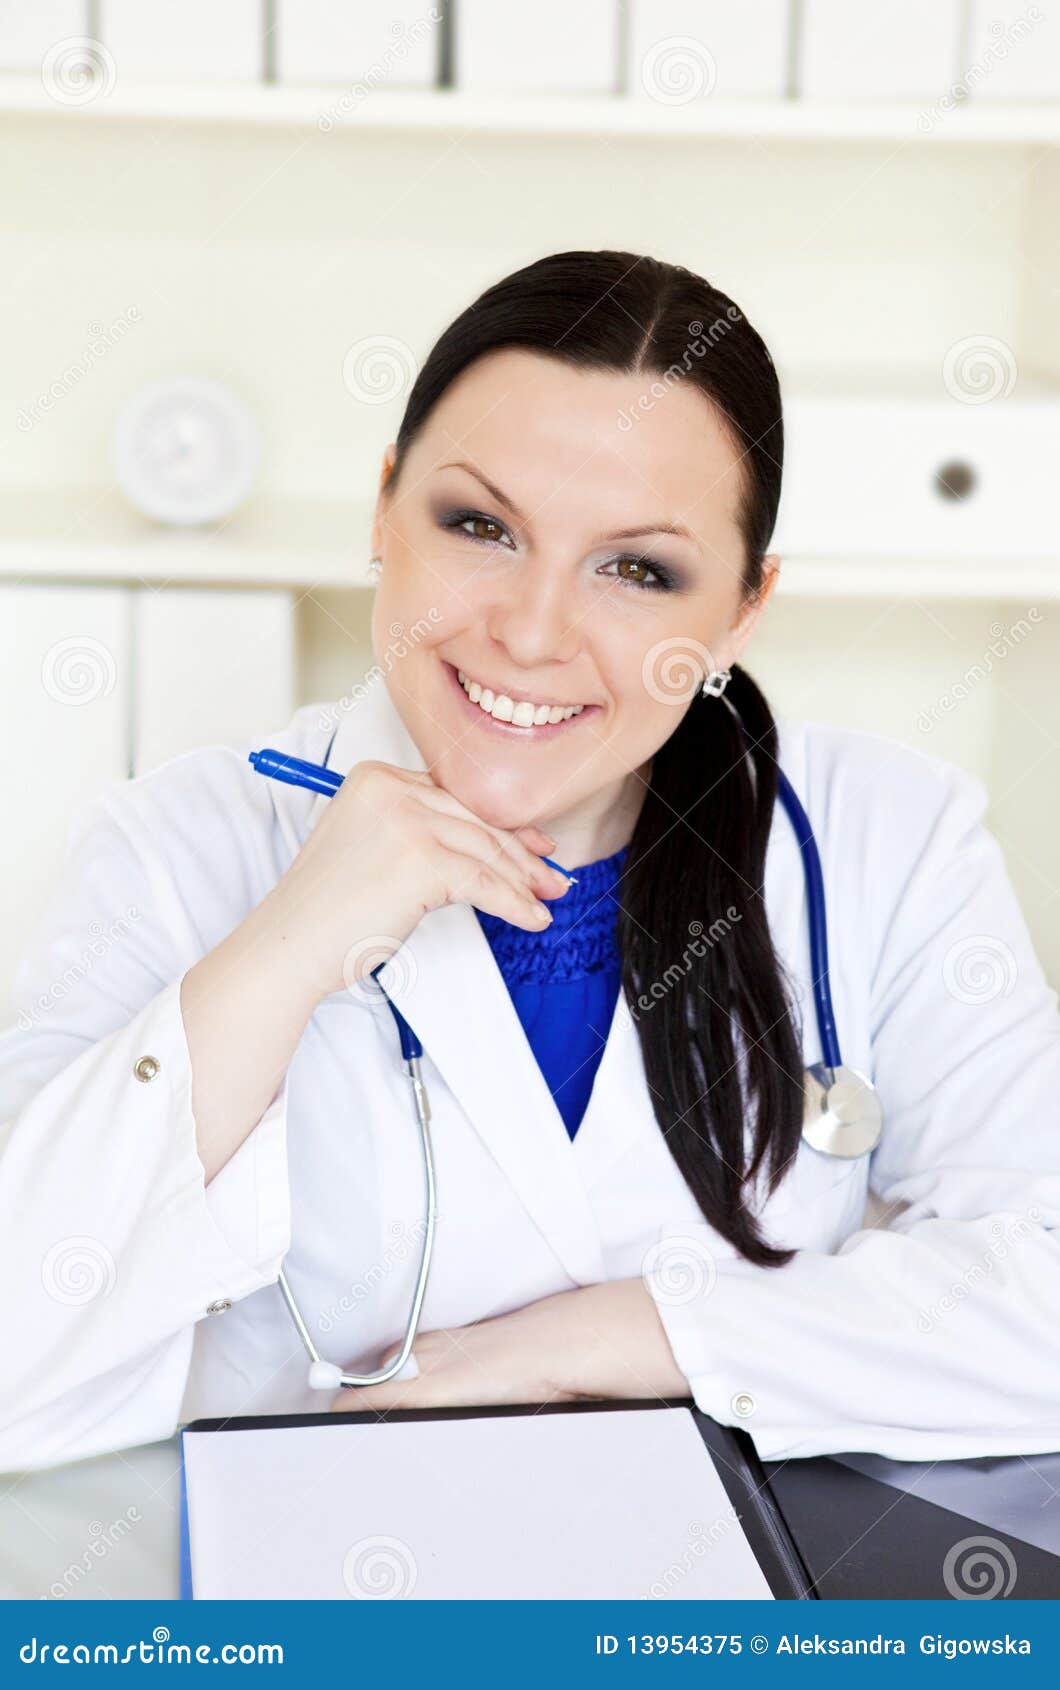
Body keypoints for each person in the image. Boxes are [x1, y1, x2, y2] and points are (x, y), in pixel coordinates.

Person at [2, 250, 1059, 1475]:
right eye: (479, 526)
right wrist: (290, 947)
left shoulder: (888, 840)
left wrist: (604, 1339)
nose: (532, 630)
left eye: (637, 569)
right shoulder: (178, 849)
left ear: (742, 609)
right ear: (383, 511)